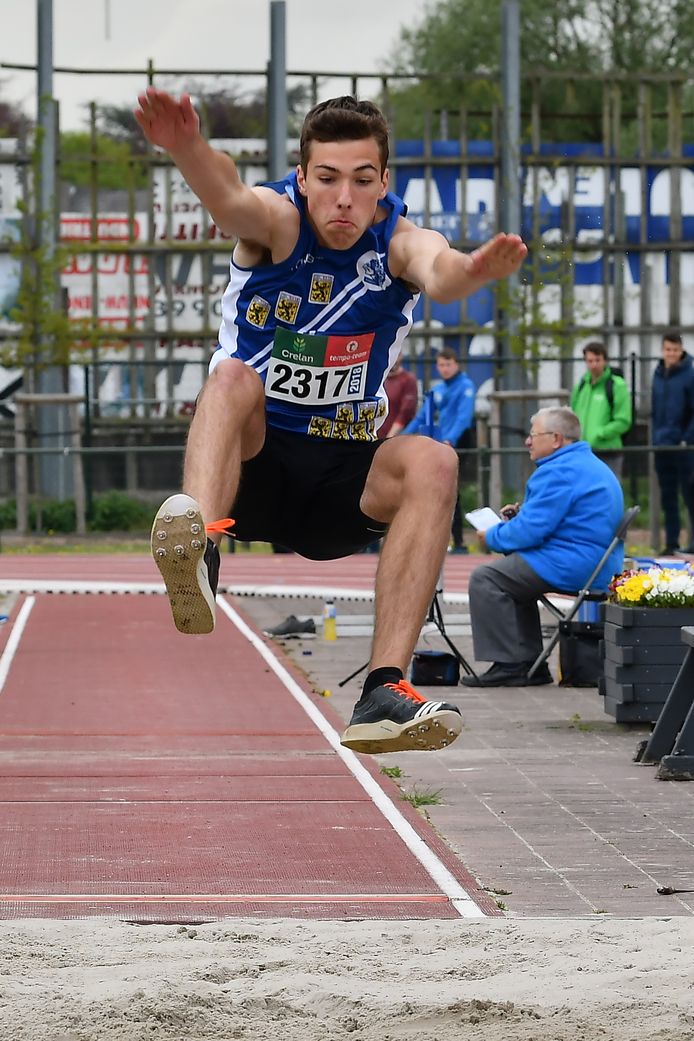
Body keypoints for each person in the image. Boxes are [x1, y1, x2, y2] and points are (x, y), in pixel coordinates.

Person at [135, 88, 527, 753]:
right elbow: (229, 198)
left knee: (435, 458)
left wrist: (474, 270)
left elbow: (442, 272)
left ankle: (383, 689)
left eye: (362, 180)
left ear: (383, 185)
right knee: (231, 374)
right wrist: (186, 148)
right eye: (328, 179)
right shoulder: (278, 223)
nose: (345, 197)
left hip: (341, 480)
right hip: (252, 467)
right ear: (302, 178)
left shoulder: (399, 241)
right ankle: (199, 548)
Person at [462, 406, 624, 687]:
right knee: (513, 579)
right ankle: (528, 664)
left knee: (487, 578)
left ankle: (513, 664)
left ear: (557, 439)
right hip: (595, 561)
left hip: (573, 562)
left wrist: (491, 536)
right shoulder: (587, 464)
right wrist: (520, 516)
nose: (527, 441)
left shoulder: (558, 471)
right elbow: (552, 520)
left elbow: (530, 532)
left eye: (533, 434)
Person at [403, 347, 476, 552]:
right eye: (441, 365)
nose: (444, 369)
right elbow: (421, 416)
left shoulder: (465, 386)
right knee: (438, 488)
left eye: (448, 364)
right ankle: (438, 538)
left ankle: (459, 541)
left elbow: (463, 418)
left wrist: (450, 439)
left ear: (456, 364)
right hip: (443, 442)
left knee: (453, 489)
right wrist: (402, 438)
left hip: (458, 441)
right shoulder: (439, 390)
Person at [651, 332, 694, 555]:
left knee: (690, 495)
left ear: (681, 350)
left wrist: (687, 437)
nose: (671, 354)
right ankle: (672, 543)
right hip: (662, 444)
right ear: (663, 350)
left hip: (684, 447)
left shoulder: (690, 373)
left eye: (675, 350)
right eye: (668, 350)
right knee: (668, 496)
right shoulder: (658, 374)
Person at [570, 340, 632, 478]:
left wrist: (600, 434)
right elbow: (573, 414)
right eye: (590, 361)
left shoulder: (616, 385)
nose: (594, 365)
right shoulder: (581, 386)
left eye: (598, 360)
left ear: (605, 361)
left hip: (607, 451)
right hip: (583, 451)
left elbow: (623, 420)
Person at [378, 352, 418, 439]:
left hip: (399, 438)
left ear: (401, 356)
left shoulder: (408, 379)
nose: (394, 360)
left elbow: (405, 413)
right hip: (377, 437)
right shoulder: (379, 379)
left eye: (397, 355)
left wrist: (389, 438)